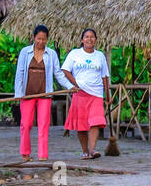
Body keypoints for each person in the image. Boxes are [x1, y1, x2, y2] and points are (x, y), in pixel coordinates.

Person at [60, 28, 110, 159]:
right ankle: (85, 151)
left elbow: (105, 76)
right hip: (80, 92)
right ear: (82, 40)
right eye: (86, 37)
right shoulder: (75, 54)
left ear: (95, 40)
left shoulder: (100, 56)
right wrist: (74, 84)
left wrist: (108, 94)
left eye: (92, 37)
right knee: (81, 124)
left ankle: (93, 150)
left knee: (95, 121)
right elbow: (65, 70)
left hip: (96, 93)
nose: (89, 39)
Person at [14, 24, 60, 161]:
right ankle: (25, 153)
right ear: (34, 38)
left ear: (47, 39)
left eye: (44, 39)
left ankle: (43, 154)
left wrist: (71, 85)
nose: (41, 42)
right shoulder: (25, 52)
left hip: (44, 94)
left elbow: (58, 72)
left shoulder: (51, 54)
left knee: (43, 124)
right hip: (27, 94)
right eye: (38, 39)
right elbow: (20, 73)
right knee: (26, 124)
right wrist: (18, 92)